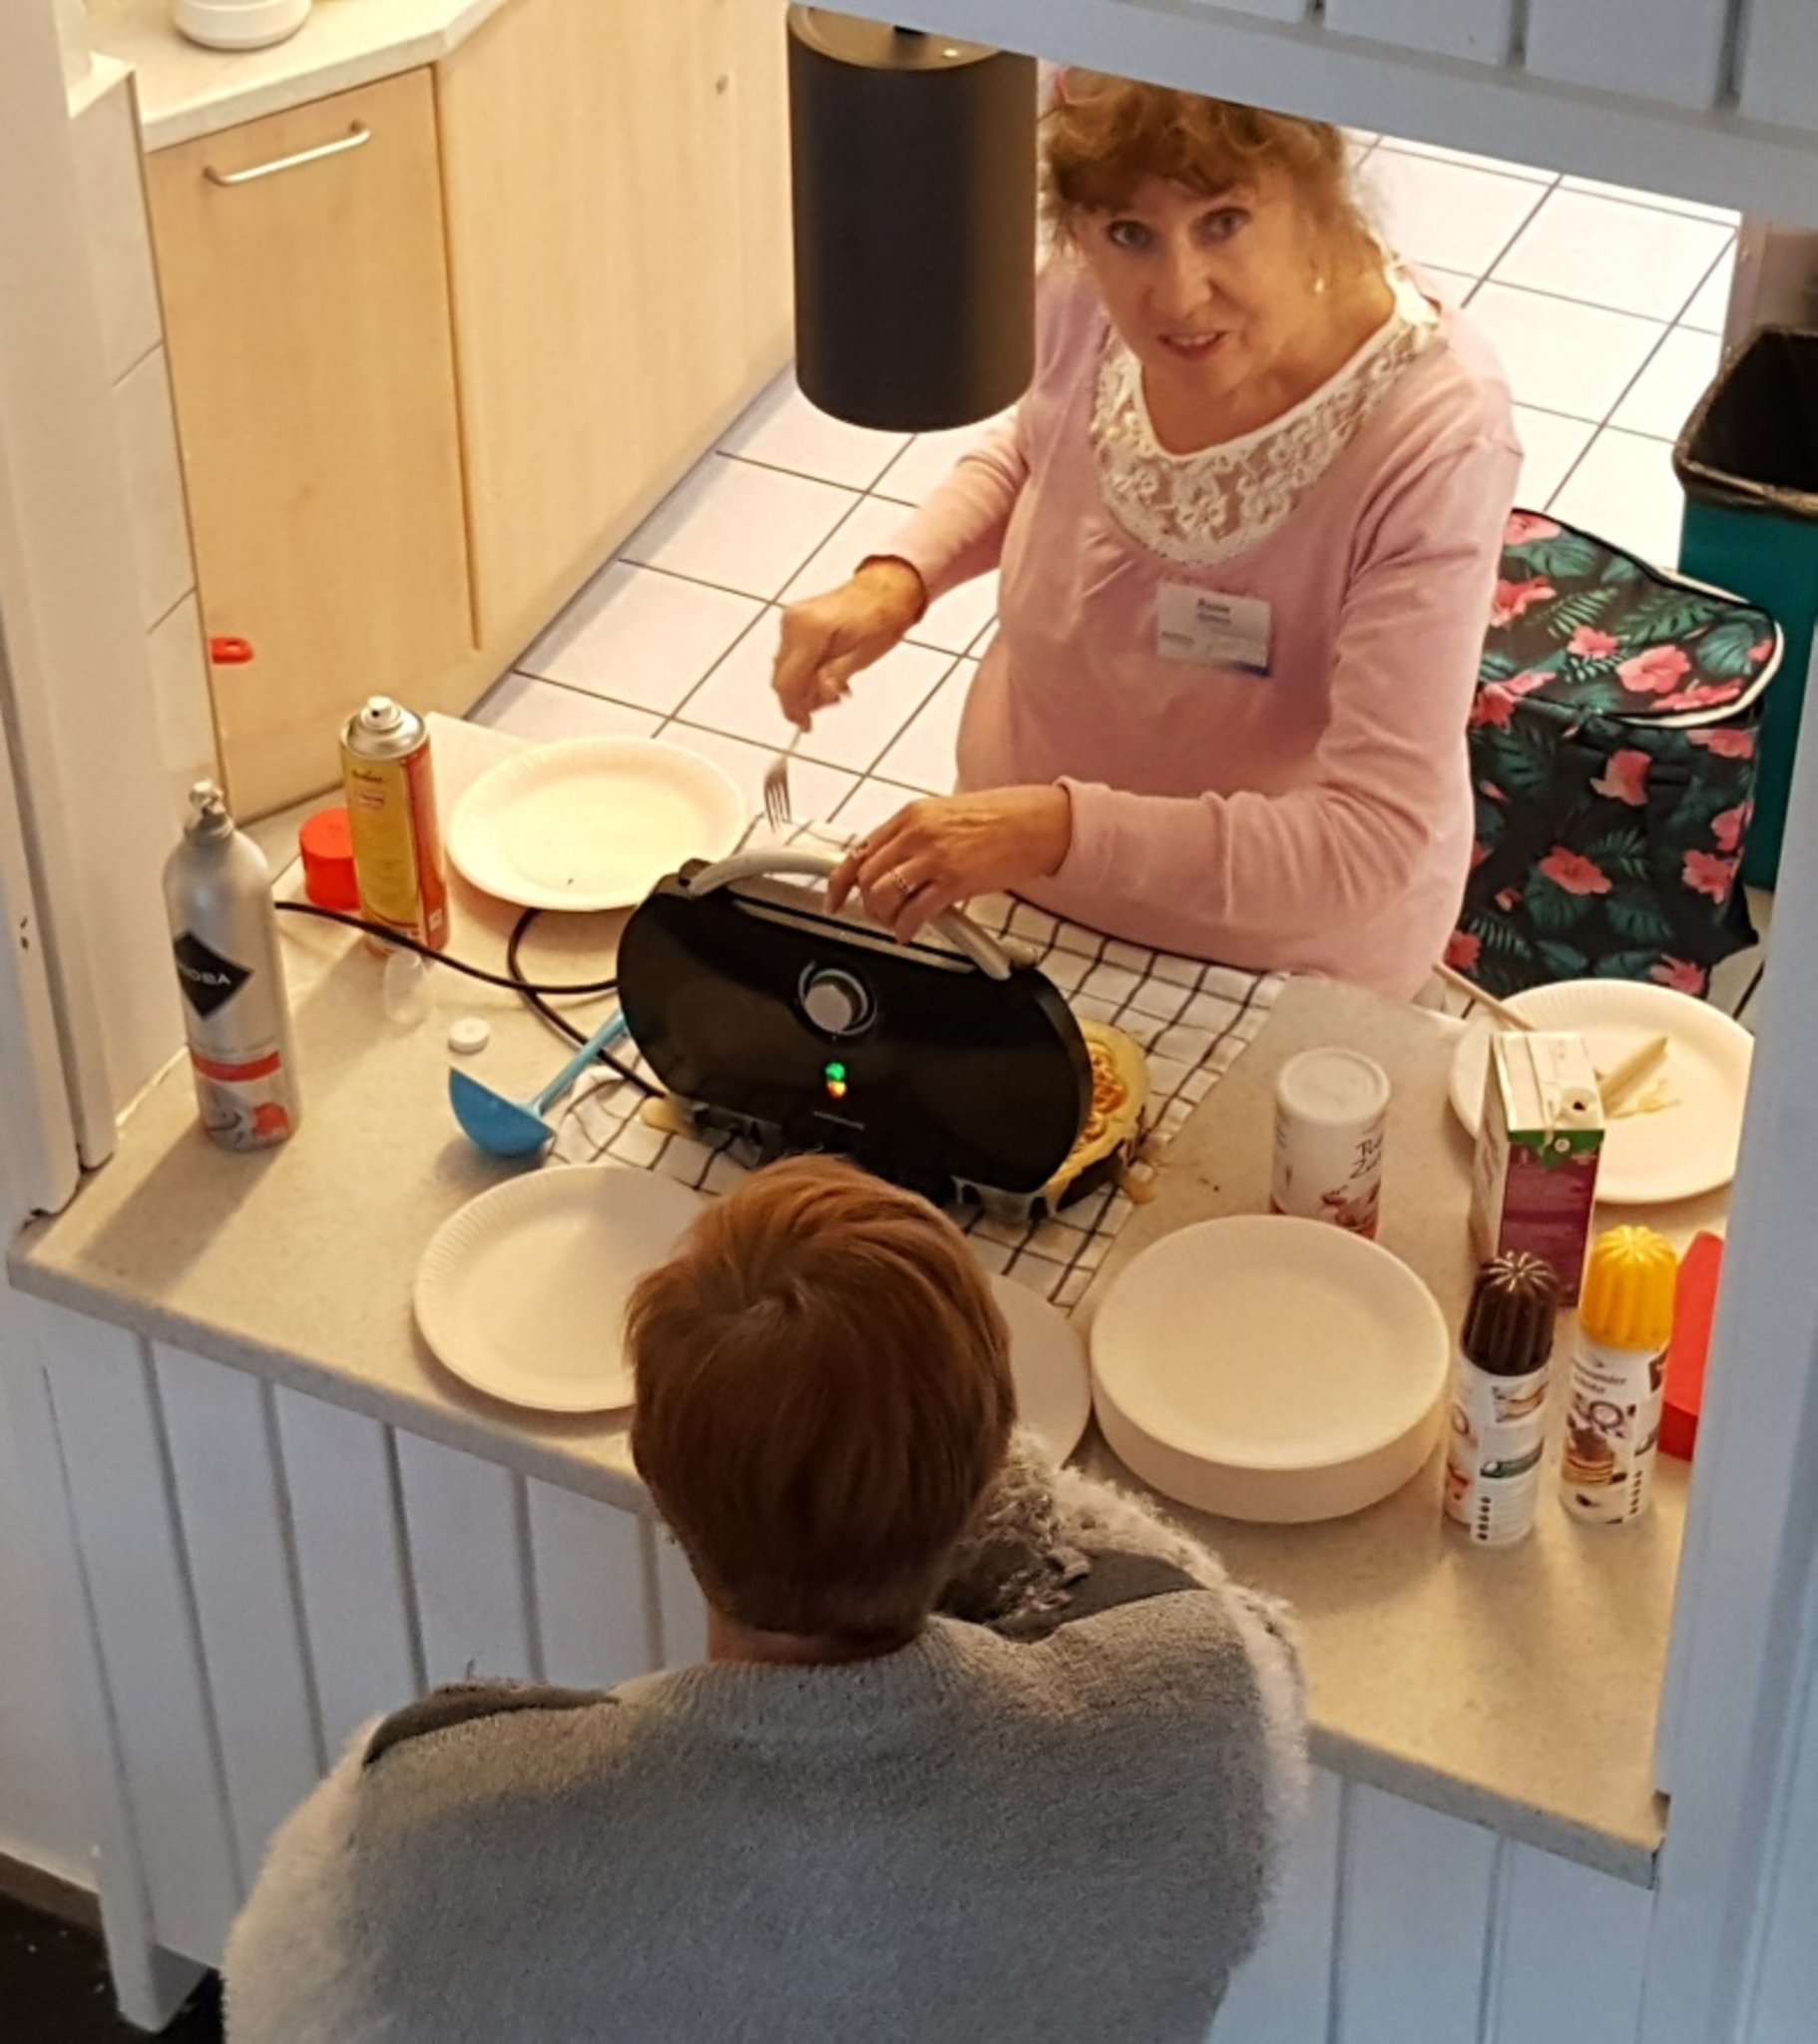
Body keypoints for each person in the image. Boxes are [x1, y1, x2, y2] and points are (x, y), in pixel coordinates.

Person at [224, 1157, 1305, 2043]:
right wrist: (934, 1446)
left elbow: (272, 2010)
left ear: (653, 1468)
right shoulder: (1196, 1707)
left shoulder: (432, 1820)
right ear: (989, 1469)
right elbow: (1181, 1598)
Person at [775, 77, 1521, 1000]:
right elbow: (1038, 449)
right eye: (1129, 234)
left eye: (1223, 222)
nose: (1179, 296)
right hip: (1020, 881)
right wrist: (900, 576)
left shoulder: (1436, 432)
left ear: (1317, 191)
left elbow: (1371, 836)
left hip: (1275, 957)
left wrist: (1058, 830)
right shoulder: (1077, 292)